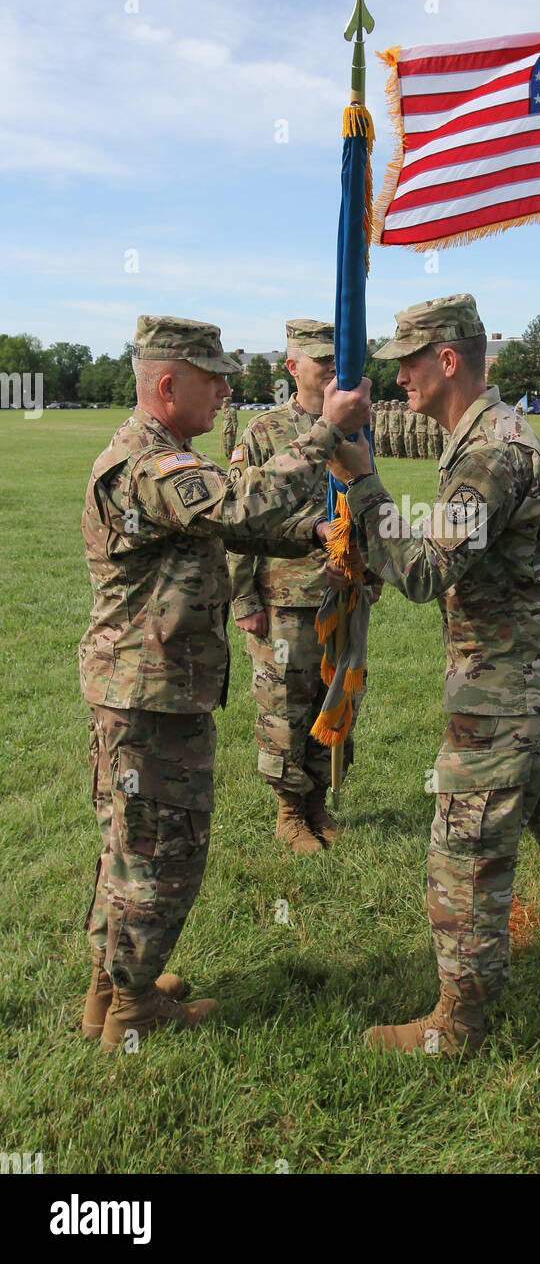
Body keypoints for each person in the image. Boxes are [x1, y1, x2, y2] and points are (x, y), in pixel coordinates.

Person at [323, 294, 540, 1057]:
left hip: (508, 695)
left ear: (447, 360)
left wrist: (364, 483)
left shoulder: (490, 454)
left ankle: (460, 1022)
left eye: (407, 364)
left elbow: (420, 571)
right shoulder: (488, 435)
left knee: (465, 855)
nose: (399, 378)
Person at [80, 314, 369, 1050]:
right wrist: (324, 433)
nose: (227, 390)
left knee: (128, 845)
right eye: (214, 378)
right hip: (149, 696)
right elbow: (236, 502)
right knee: (160, 852)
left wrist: (311, 534)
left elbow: (231, 525)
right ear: (169, 383)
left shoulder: (166, 455)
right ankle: (134, 1010)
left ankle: (111, 990)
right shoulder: (146, 464)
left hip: (150, 688)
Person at [227, 320, 363, 852]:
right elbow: (237, 523)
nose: (333, 368)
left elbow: (369, 505)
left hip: (339, 594)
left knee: (333, 701)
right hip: (282, 599)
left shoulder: (355, 429)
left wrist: (367, 574)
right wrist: (244, 599)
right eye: (321, 359)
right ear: (292, 368)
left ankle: (316, 804)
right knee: (284, 709)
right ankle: (288, 812)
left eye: (338, 359)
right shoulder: (264, 433)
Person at [220, 395, 238, 461]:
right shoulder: (223, 410)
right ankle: (228, 457)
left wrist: (234, 430)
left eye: (224, 402)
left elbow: (234, 421)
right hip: (224, 429)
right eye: (223, 402)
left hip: (230, 430)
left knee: (229, 445)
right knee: (225, 445)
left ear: (228, 403)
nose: (223, 403)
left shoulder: (232, 410)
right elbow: (223, 420)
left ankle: (231, 457)